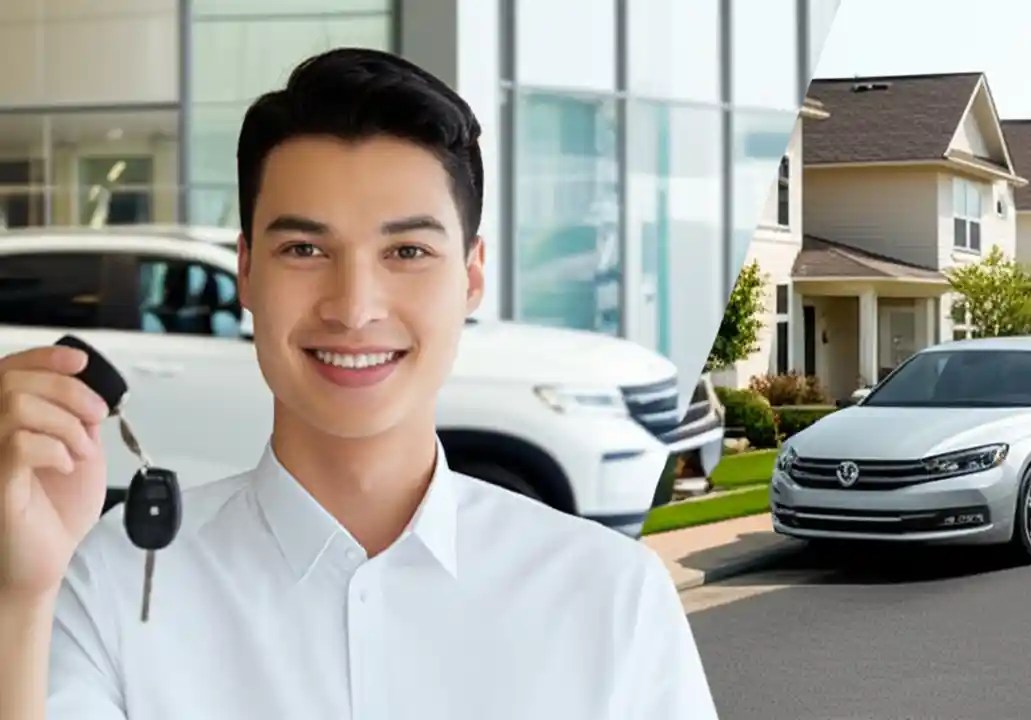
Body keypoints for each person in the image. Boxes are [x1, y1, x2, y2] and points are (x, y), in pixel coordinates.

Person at [0, 47, 719, 720]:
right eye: (304, 248)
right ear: (246, 271)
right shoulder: (109, 581)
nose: (353, 307)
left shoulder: (612, 596)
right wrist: (17, 597)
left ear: (471, 275)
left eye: (407, 251)